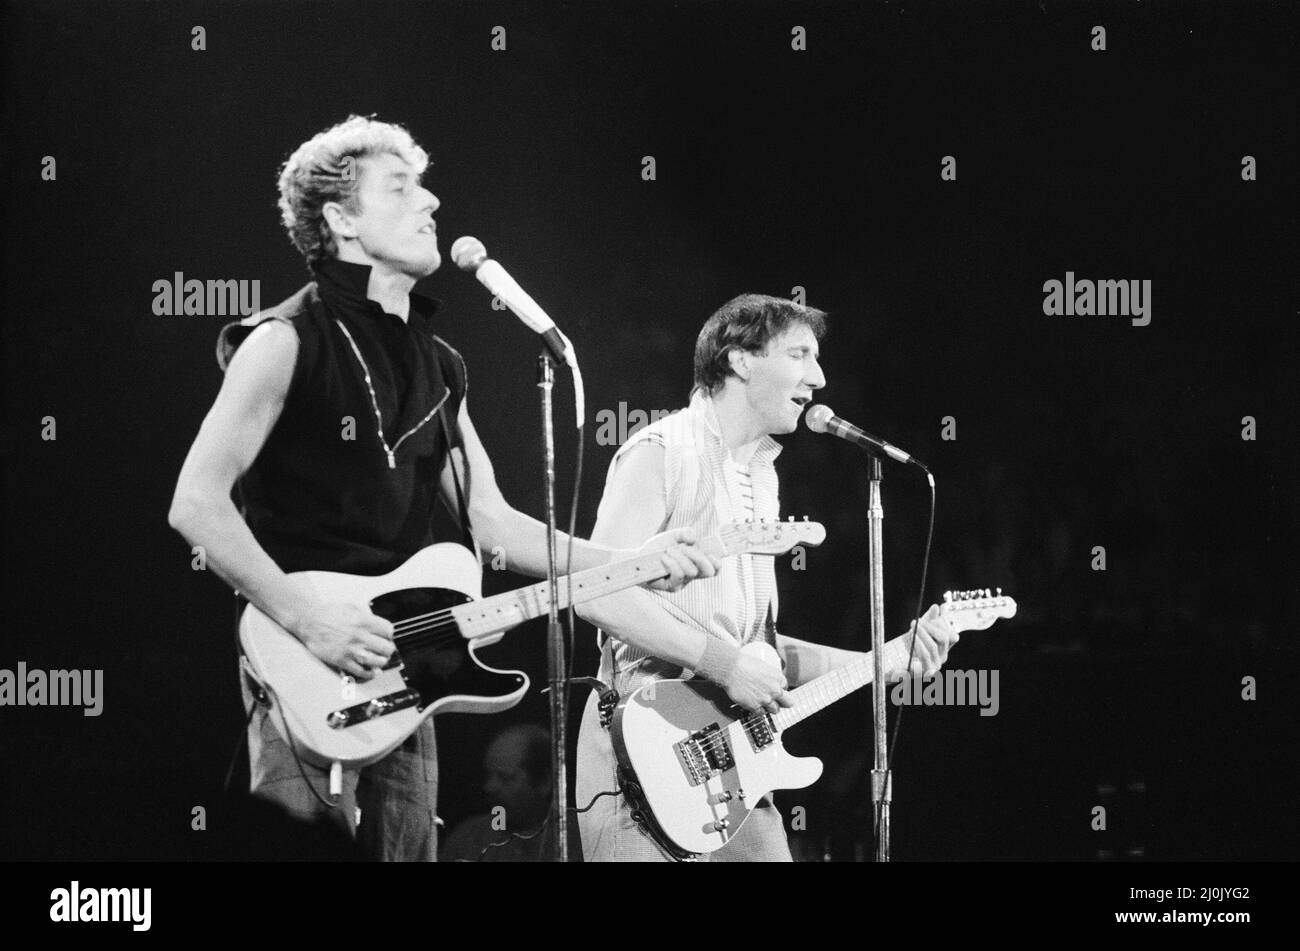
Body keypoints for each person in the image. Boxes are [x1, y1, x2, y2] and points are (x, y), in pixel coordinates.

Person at [167, 115, 719, 861]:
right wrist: (305, 615)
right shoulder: (284, 340)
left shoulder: (442, 365)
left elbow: (494, 524)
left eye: (424, 186)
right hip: (305, 654)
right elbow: (196, 500)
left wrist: (637, 554)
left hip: (409, 663)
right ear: (341, 220)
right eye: (401, 188)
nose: (430, 203)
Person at [574, 293, 960, 862]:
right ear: (740, 359)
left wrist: (887, 659)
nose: (819, 377)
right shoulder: (660, 452)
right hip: (641, 751)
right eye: (800, 354)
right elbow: (596, 595)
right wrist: (727, 665)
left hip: (732, 760)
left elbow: (763, 655)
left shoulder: (762, 480)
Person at [440, 723, 580, 862]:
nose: (489, 787)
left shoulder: (576, 840)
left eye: (505, 777)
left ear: (545, 782)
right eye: (489, 775)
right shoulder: (467, 838)